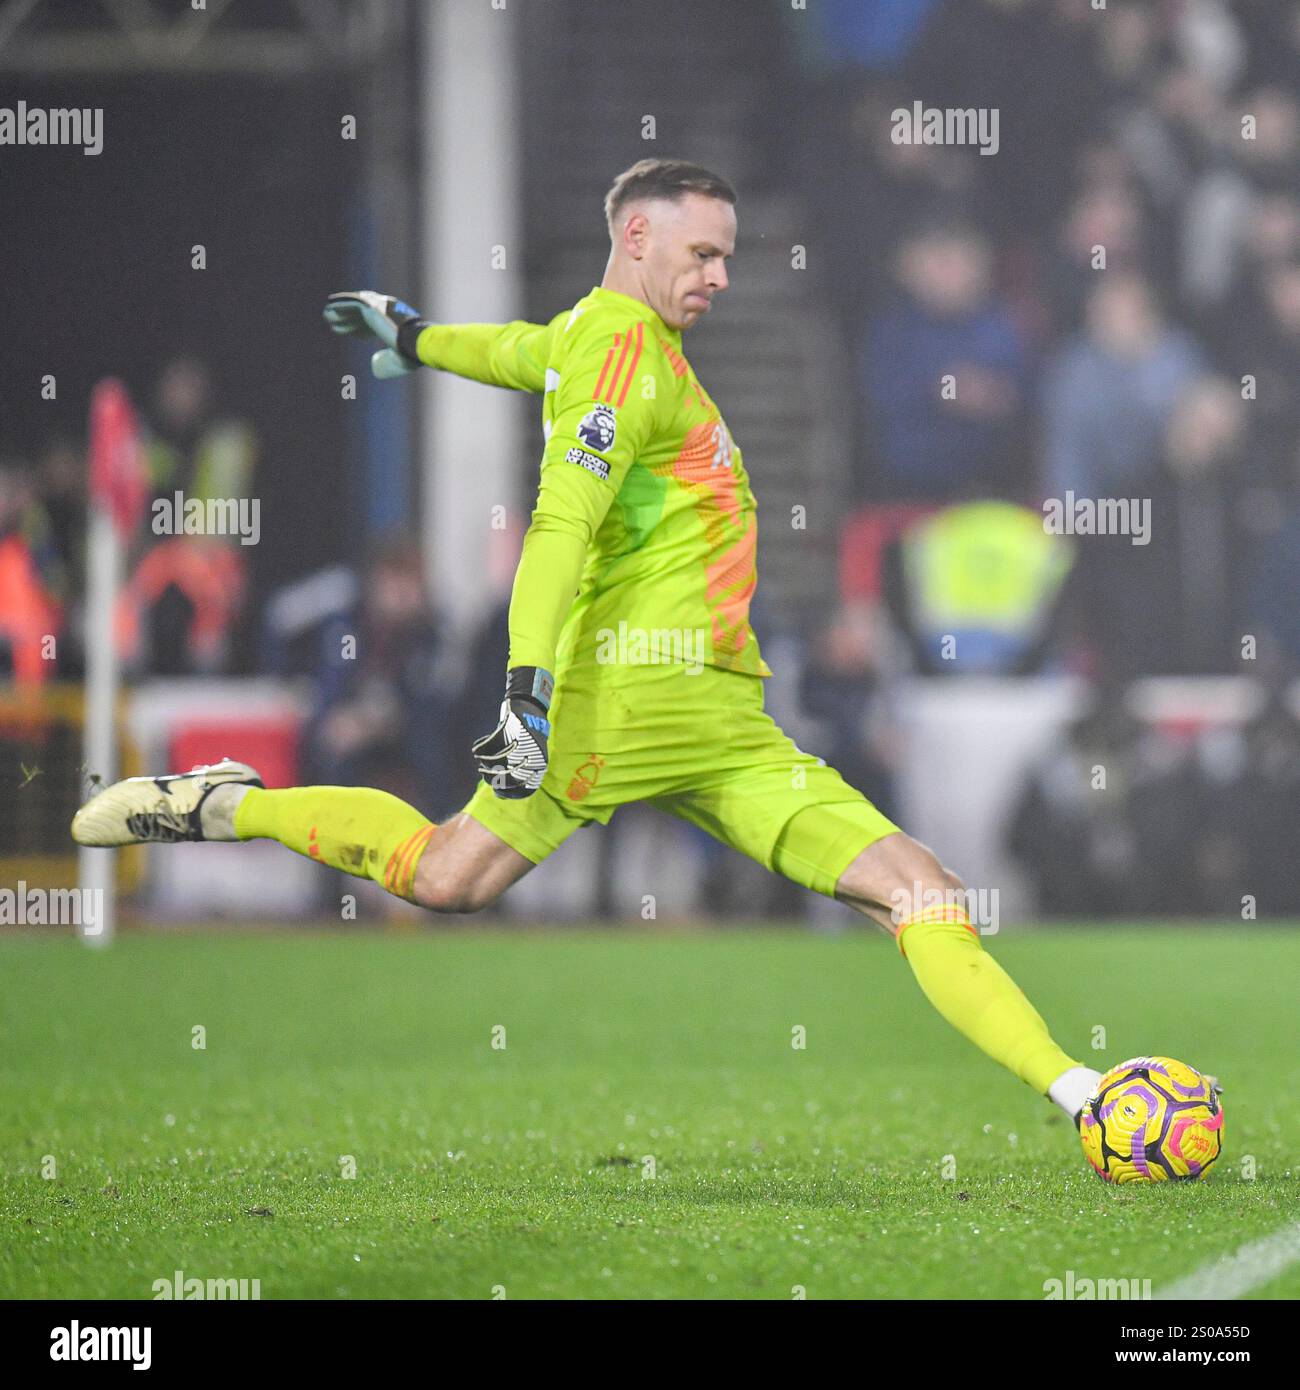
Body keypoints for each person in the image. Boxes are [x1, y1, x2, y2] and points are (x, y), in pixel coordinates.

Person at [73, 158, 1103, 1130]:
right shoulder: (619, 353)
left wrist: (418, 339)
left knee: (917, 891)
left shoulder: (593, 338)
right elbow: (557, 530)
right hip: (614, 706)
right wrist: (526, 693)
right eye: (703, 254)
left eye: (729, 256)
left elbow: (513, 349)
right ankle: (228, 802)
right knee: (449, 880)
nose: (721, 277)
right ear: (638, 235)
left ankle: (1084, 1094)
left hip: (721, 723)